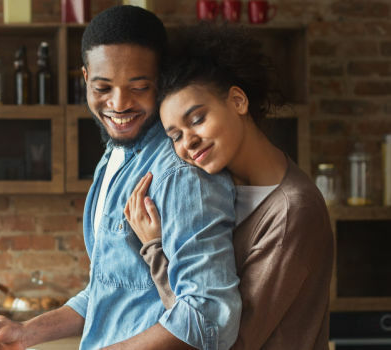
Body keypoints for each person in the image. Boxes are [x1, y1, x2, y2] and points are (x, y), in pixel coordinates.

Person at [0, 6, 241, 350]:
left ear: (161, 80)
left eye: (139, 87)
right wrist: (27, 332)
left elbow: (209, 322)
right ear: (85, 79)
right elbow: (113, 287)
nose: (119, 104)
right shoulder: (116, 155)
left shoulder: (182, 173)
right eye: (103, 87)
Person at [124, 24, 333, 349]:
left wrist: (155, 249)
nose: (188, 143)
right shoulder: (219, 192)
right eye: (175, 136)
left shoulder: (292, 212)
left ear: (237, 101)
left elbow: (218, 339)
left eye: (196, 119)